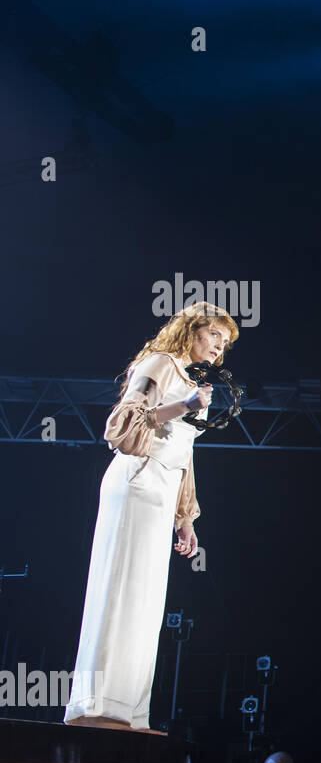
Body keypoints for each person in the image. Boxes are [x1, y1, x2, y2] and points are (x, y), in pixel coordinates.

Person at [64, 302, 238, 731]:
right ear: (192, 329)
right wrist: (183, 405)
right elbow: (121, 426)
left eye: (226, 342)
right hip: (137, 481)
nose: (220, 346)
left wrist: (187, 518)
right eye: (215, 334)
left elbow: (185, 453)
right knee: (121, 588)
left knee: (146, 600)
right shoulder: (159, 363)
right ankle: (98, 707)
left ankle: (129, 710)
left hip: (162, 491)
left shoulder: (189, 379)